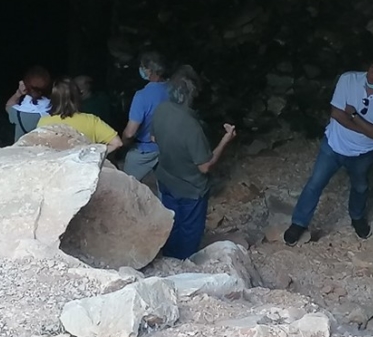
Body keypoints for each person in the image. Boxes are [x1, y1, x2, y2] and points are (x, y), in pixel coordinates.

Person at [283, 54, 373, 245]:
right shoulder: (348, 79)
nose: (372, 73)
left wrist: (353, 115)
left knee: (360, 187)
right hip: (334, 144)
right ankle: (299, 223)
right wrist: (367, 129)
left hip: (364, 152)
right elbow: (337, 114)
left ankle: (357, 217)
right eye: (372, 67)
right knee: (315, 183)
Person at [151, 65, 236, 259]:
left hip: (166, 179)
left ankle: (168, 257)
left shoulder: (161, 109)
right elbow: (204, 166)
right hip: (191, 189)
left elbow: (154, 138)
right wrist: (225, 139)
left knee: (172, 221)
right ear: (192, 95)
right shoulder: (192, 127)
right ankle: (184, 262)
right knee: (188, 231)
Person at [36, 78, 123, 154]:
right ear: (77, 96)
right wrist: (94, 155)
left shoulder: (44, 122)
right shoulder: (91, 121)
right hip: (84, 167)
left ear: (52, 99)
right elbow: (117, 143)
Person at [121, 51, 171, 180]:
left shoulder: (142, 96)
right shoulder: (174, 90)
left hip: (144, 149)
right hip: (169, 147)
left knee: (126, 183)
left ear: (149, 70)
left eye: (142, 67)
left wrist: (122, 143)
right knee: (166, 185)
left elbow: (130, 133)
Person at [4, 66, 52, 143]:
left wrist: (19, 92)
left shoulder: (17, 112)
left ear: (25, 86)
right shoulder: (53, 109)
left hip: (22, 149)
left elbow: (8, 105)